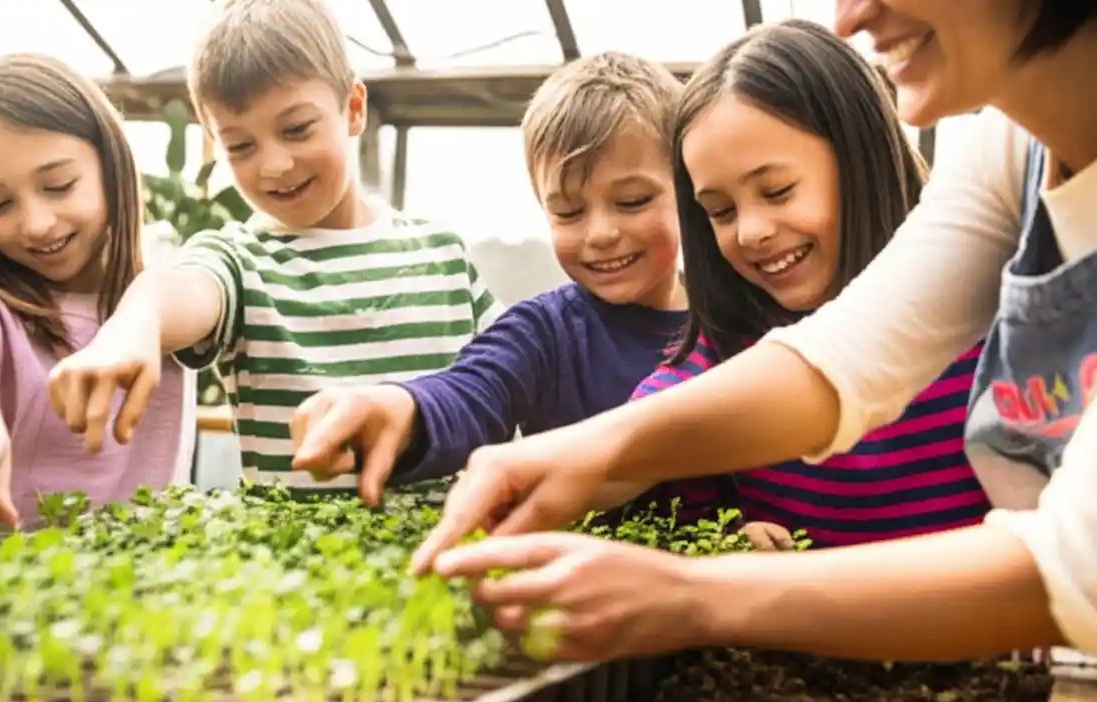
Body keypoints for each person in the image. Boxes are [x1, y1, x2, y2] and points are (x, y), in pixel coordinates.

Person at [415, 1, 1097, 664]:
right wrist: (580, 456)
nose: (849, 16)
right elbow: (845, 357)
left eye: (775, 191)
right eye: (716, 209)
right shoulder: (1008, 150)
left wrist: (686, 593)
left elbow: (1077, 564)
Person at [44, 0, 500, 491]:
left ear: (353, 109)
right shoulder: (241, 263)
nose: (274, 165)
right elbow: (181, 288)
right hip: (291, 565)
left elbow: (514, 375)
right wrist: (133, 327)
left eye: (296, 129)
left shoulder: (444, 256)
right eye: (240, 146)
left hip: (445, 554)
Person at [626, 20, 987, 549]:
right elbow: (654, 453)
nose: (752, 232)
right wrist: (723, 541)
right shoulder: (725, 358)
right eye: (720, 211)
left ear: (859, 157)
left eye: (776, 190)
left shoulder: (988, 323)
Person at [287, 51, 696, 507]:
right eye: (568, 212)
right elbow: (472, 390)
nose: (600, 234)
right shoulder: (544, 334)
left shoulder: (735, 325)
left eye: (633, 200)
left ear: (688, 188)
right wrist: (402, 408)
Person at [0, 55, 193, 529]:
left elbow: (193, 295)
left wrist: (139, 321)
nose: (36, 224)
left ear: (110, 164)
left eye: (58, 185)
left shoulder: (170, 287)